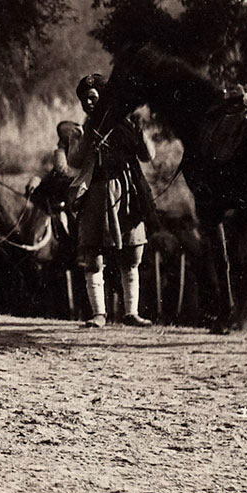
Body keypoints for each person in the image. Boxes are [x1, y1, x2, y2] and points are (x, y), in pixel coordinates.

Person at [68, 72, 157, 328]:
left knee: (132, 252)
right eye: (84, 100)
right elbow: (76, 161)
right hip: (97, 193)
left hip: (128, 191)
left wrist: (141, 130)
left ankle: (131, 313)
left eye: (92, 97)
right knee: (94, 254)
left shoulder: (127, 121)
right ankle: (99, 314)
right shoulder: (88, 126)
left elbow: (147, 156)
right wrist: (76, 140)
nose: (88, 103)